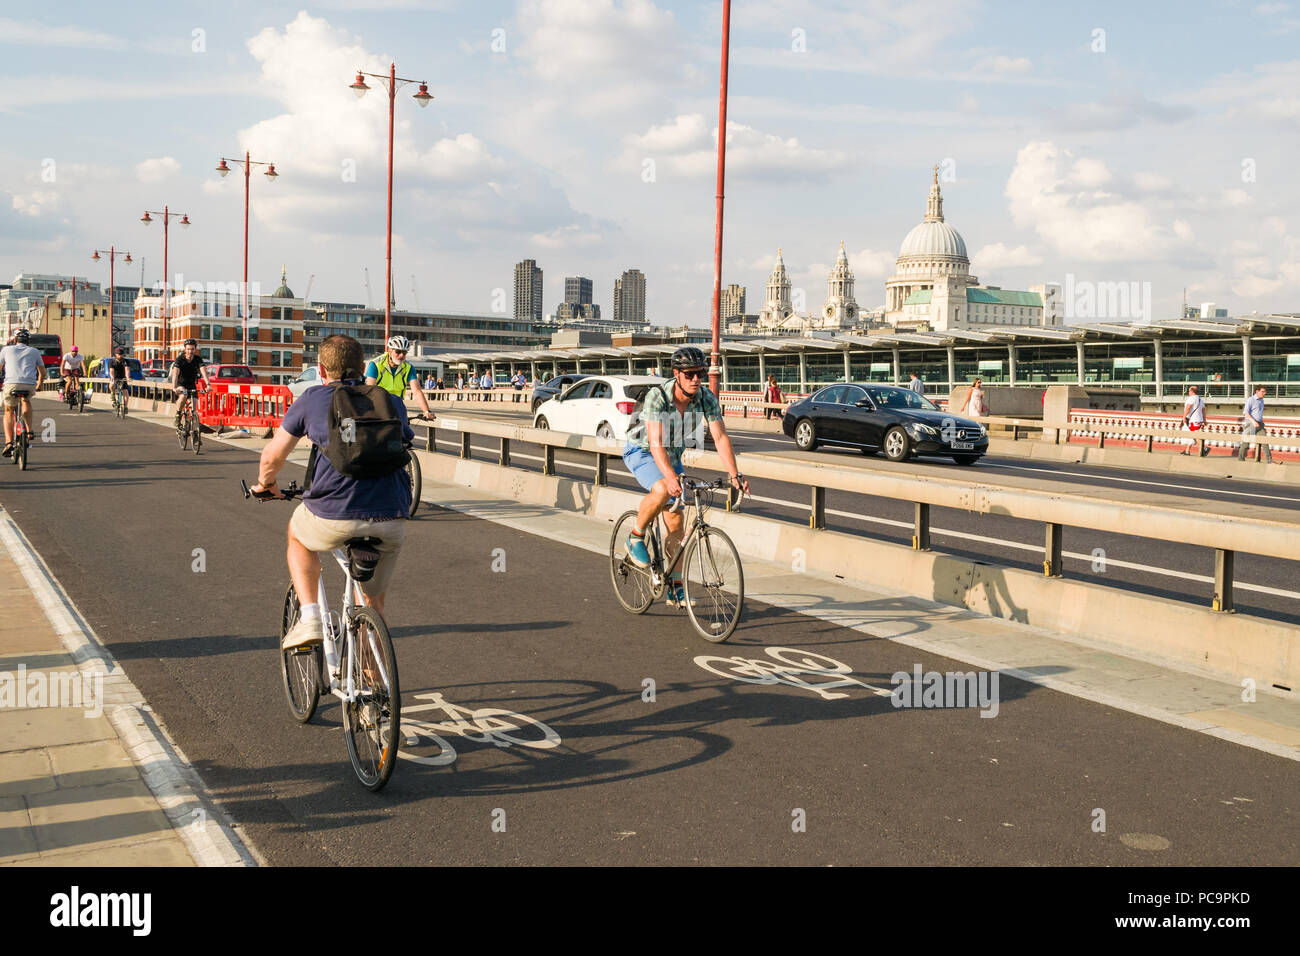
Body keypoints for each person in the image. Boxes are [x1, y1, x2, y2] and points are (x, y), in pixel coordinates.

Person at [252, 335, 414, 648]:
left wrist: (266, 485)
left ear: (322, 371)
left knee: (297, 536)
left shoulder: (312, 399)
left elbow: (272, 457)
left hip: (332, 516)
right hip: (391, 515)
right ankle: (373, 683)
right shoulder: (389, 400)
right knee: (373, 604)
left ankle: (311, 616)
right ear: (363, 366)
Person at [622, 346, 750, 608]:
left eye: (700, 374)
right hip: (643, 450)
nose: (696, 380)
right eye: (690, 374)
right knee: (661, 489)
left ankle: (675, 587)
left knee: (677, 529)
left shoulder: (706, 398)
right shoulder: (658, 397)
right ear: (676, 374)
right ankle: (635, 535)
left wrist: (734, 474)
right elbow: (655, 443)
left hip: (672, 456)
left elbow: (720, 437)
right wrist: (670, 477)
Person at [364, 335, 435, 421]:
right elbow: (370, 389)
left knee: (407, 433)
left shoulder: (408, 368)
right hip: (378, 406)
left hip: (397, 406)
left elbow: (416, 391)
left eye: (404, 353)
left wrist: (426, 411)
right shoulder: (375, 364)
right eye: (398, 352)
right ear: (390, 350)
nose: (401, 355)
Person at [1, 329, 45, 457]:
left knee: (9, 411)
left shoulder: (6, 350)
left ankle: (9, 443)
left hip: (11, 383)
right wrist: (39, 384)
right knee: (26, 400)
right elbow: (42, 372)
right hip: (29, 384)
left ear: (15, 340)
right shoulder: (35, 351)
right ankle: (29, 431)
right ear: (28, 341)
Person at [170, 338, 211, 426]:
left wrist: (208, 385)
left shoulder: (197, 359)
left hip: (191, 385)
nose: (190, 351)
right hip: (180, 384)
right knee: (184, 395)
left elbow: (203, 371)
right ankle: (178, 415)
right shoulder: (180, 359)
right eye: (188, 349)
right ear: (185, 349)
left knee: (194, 406)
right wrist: (174, 387)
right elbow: (175, 373)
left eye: (192, 349)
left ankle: (192, 426)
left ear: (195, 349)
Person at [1238, 385, 1273, 464]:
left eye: (1265, 392)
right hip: (1251, 424)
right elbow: (1246, 413)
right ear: (1257, 391)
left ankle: (1270, 461)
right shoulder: (1251, 400)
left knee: (1265, 442)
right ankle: (1240, 460)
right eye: (1263, 391)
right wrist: (1254, 422)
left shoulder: (1262, 400)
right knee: (1246, 443)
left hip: (1260, 425)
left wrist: (1260, 422)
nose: (1264, 393)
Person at [1180, 384, 1209, 457]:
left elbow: (1188, 408)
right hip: (1199, 420)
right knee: (1192, 434)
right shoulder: (1200, 399)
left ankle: (1205, 448)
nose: (1188, 392)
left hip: (1193, 420)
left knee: (1194, 436)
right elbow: (1203, 410)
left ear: (1191, 391)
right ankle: (1187, 450)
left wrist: (1183, 417)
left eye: (1189, 390)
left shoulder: (1191, 398)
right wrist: (1204, 420)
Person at [108, 347, 131, 411]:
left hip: (123, 377)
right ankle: (112, 393)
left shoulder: (126, 361)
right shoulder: (112, 362)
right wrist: (112, 377)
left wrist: (128, 377)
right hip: (115, 377)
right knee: (112, 384)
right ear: (115, 354)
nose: (120, 356)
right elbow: (111, 371)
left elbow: (127, 370)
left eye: (121, 354)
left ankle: (125, 407)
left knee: (125, 392)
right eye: (119, 354)